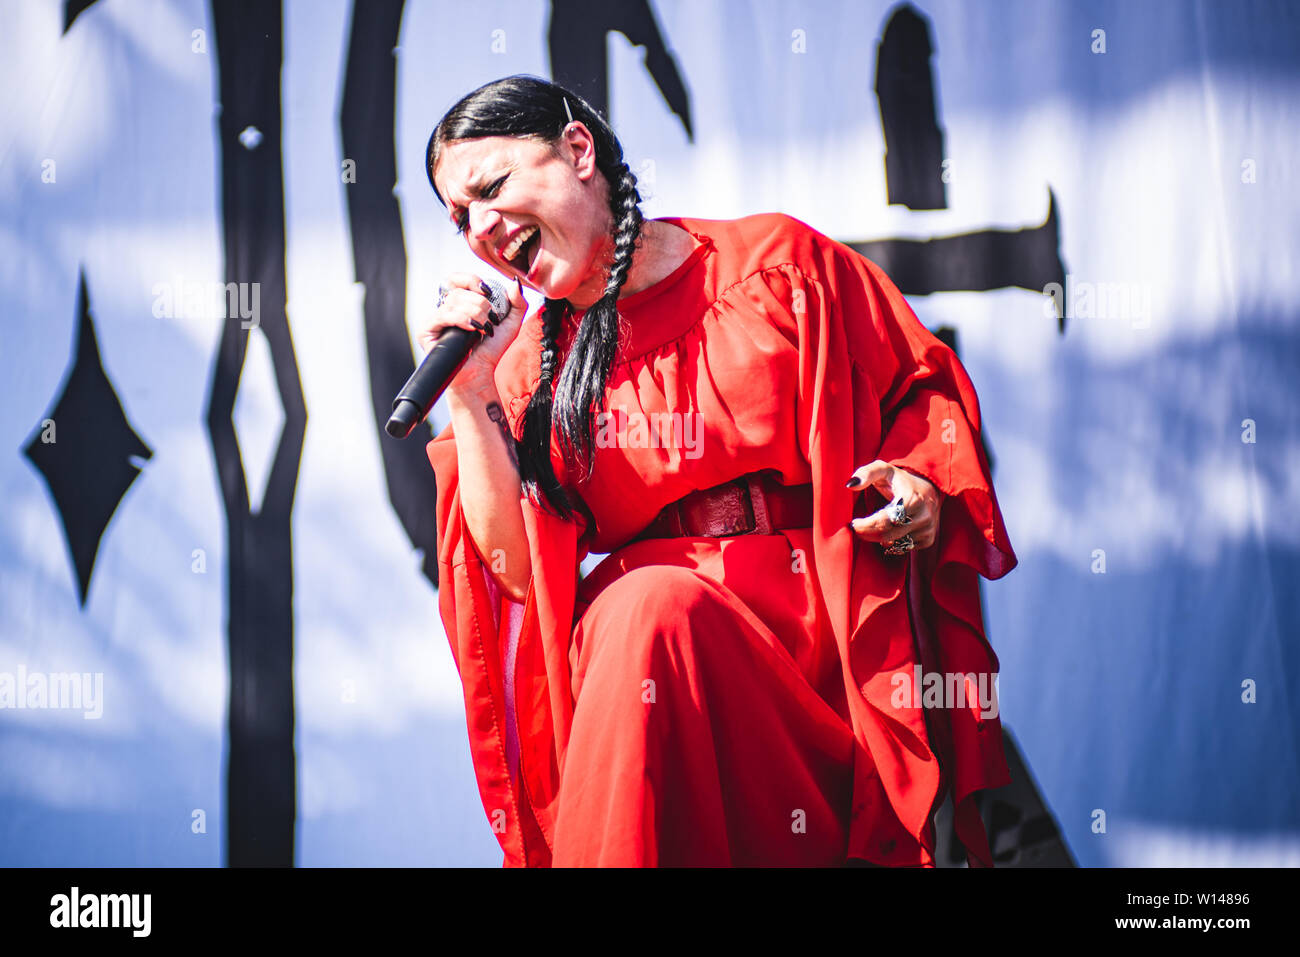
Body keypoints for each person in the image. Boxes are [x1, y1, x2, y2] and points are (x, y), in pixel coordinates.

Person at [420, 74, 1017, 867]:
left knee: (649, 612)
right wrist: (468, 393)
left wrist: (921, 484)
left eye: (491, 188)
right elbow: (518, 572)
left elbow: (918, 390)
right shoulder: (527, 370)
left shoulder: (776, 266)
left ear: (578, 149)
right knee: (648, 608)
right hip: (649, 678)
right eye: (461, 218)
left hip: (816, 670)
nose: (482, 229)